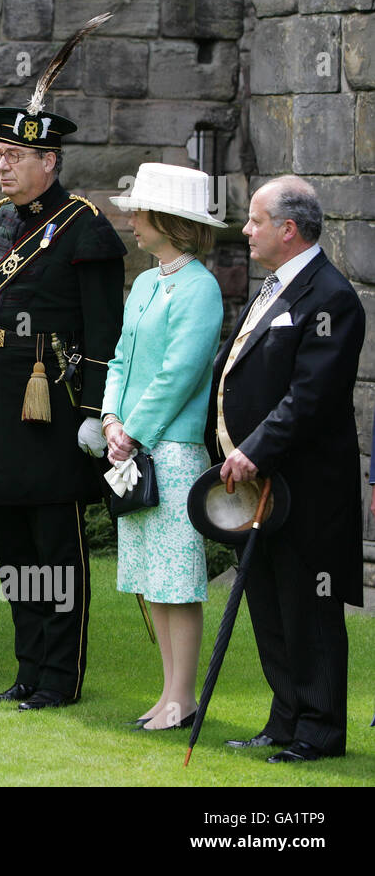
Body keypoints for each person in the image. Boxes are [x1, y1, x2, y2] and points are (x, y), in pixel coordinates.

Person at [0, 102, 126, 710]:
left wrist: (94, 412)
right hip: (1, 397)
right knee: (13, 542)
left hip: (53, 402)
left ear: (49, 162)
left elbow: (105, 334)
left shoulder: (86, 228)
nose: (2, 167)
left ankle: (59, 674)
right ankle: (28, 668)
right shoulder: (2, 218)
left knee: (54, 543)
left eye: (15, 157)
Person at [209, 176, 364, 762]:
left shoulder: (331, 297)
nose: (245, 230)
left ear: (288, 229)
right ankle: (285, 718)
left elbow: (311, 395)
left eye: (254, 221)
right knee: (269, 603)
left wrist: (255, 448)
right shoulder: (271, 287)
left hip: (305, 488)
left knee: (309, 607)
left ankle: (320, 731)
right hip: (258, 488)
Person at [102, 163, 225, 730]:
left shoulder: (200, 287)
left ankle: (183, 696)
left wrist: (133, 431)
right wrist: (108, 420)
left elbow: (180, 372)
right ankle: (168, 692)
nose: (129, 219)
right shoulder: (147, 282)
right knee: (152, 576)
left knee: (177, 578)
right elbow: (122, 356)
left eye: (138, 210)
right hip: (133, 449)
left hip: (171, 452)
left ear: (166, 220)